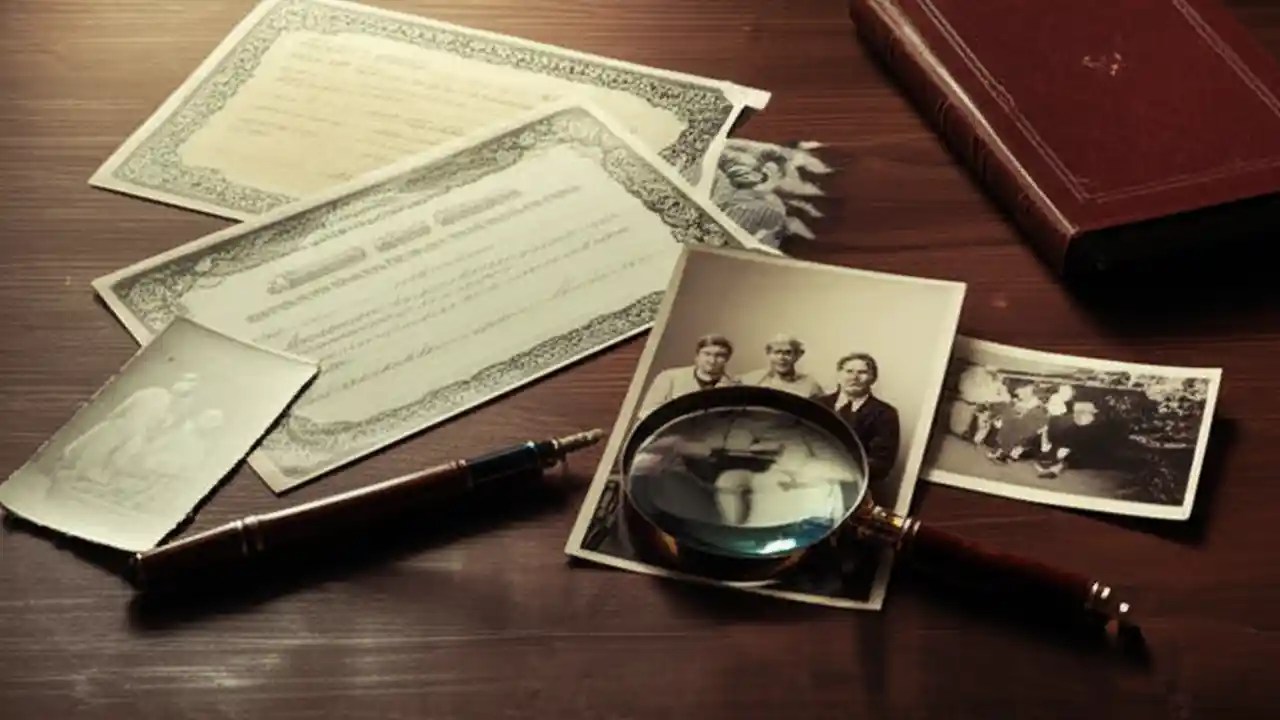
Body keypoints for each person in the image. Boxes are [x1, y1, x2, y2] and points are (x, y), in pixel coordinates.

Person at [816, 353, 900, 503]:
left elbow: (881, 463)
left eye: (862, 372)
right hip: (808, 484)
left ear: (873, 378)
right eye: (849, 371)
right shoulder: (817, 405)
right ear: (838, 375)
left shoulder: (885, 414)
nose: (854, 377)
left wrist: (838, 473)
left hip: (852, 490)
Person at [637, 334, 737, 417]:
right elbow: (646, 413)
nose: (712, 360)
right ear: (697, 356)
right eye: (707, 354)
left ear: (727, 359)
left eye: (720, 356)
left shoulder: (734, 386)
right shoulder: (669, 378)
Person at [738, 334, 824, 398]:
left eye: (787, 353)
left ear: (797, 355)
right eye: (777, 352)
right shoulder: (751, 380)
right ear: (768, 354)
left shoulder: (810, 386)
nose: (782, 358)